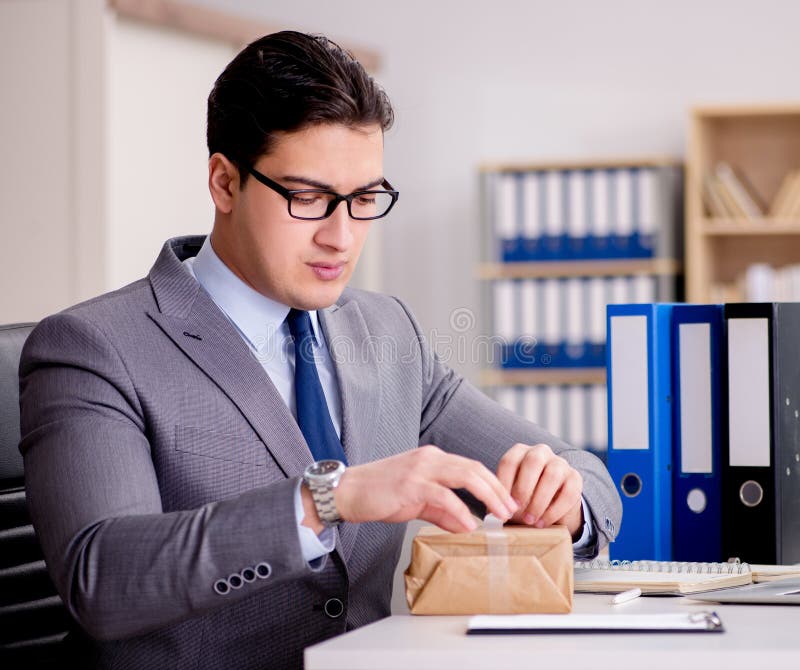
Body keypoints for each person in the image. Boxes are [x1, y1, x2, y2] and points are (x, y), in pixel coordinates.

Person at [19, 31, 621, 670]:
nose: (342, 236)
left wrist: (563, 499)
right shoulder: (94, 347)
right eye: (307, 199)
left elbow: (585, 473)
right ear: (225, 183)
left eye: (364, 200)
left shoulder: (388, 332)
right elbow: (104, 577)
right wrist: (326, 499)